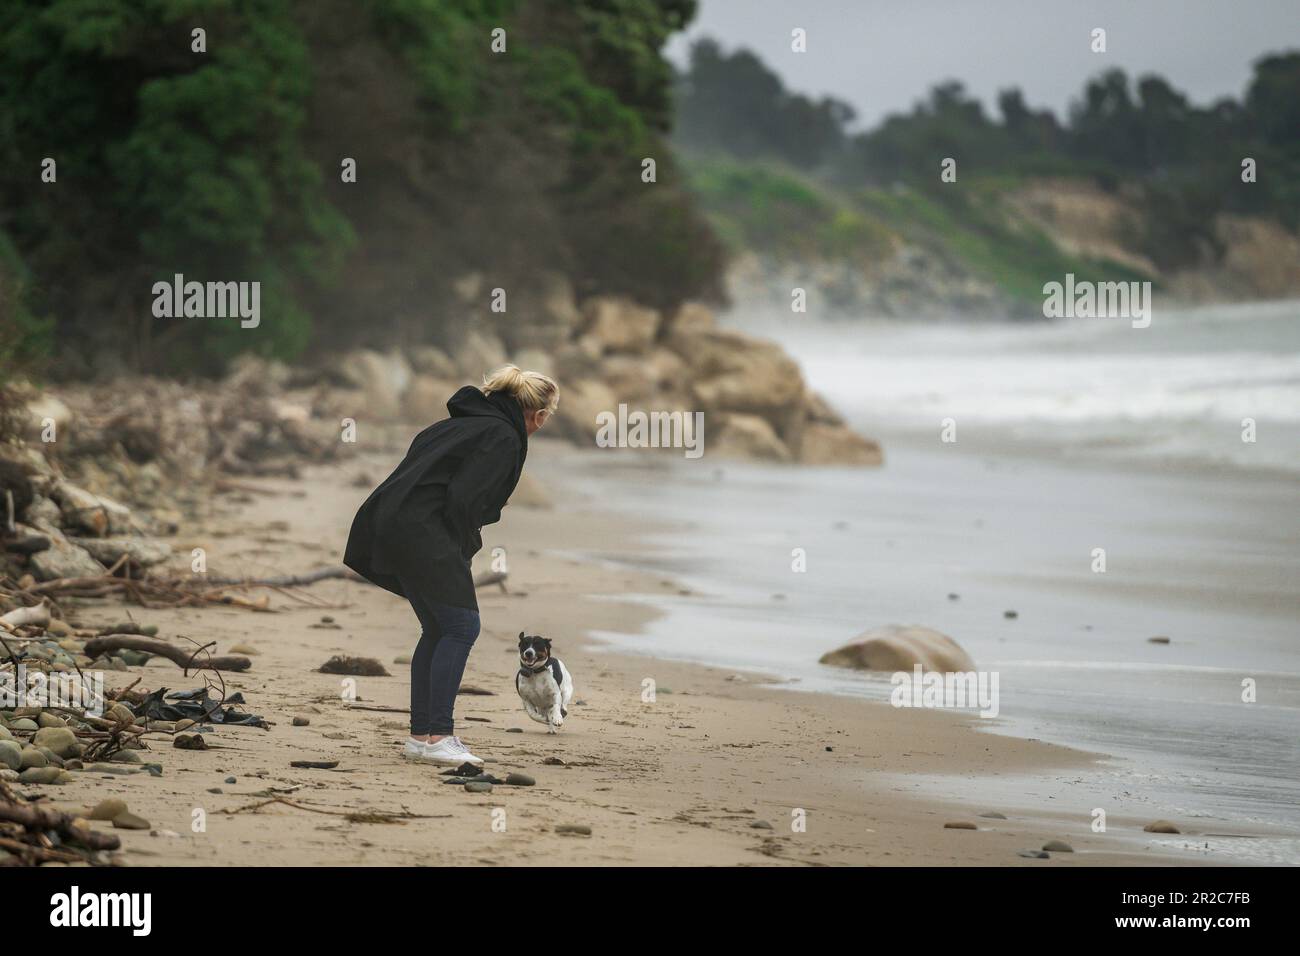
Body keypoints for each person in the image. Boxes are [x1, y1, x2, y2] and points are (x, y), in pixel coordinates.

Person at [343, 364, 559, 765]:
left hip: (391, 524)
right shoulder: (502, 436)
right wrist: (463, 543)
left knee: (439, 628)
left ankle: (421, 737)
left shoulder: (457, 425)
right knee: (462, 626)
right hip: (423, 531)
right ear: (539, 416)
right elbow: (464, 499)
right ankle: (439, 736)